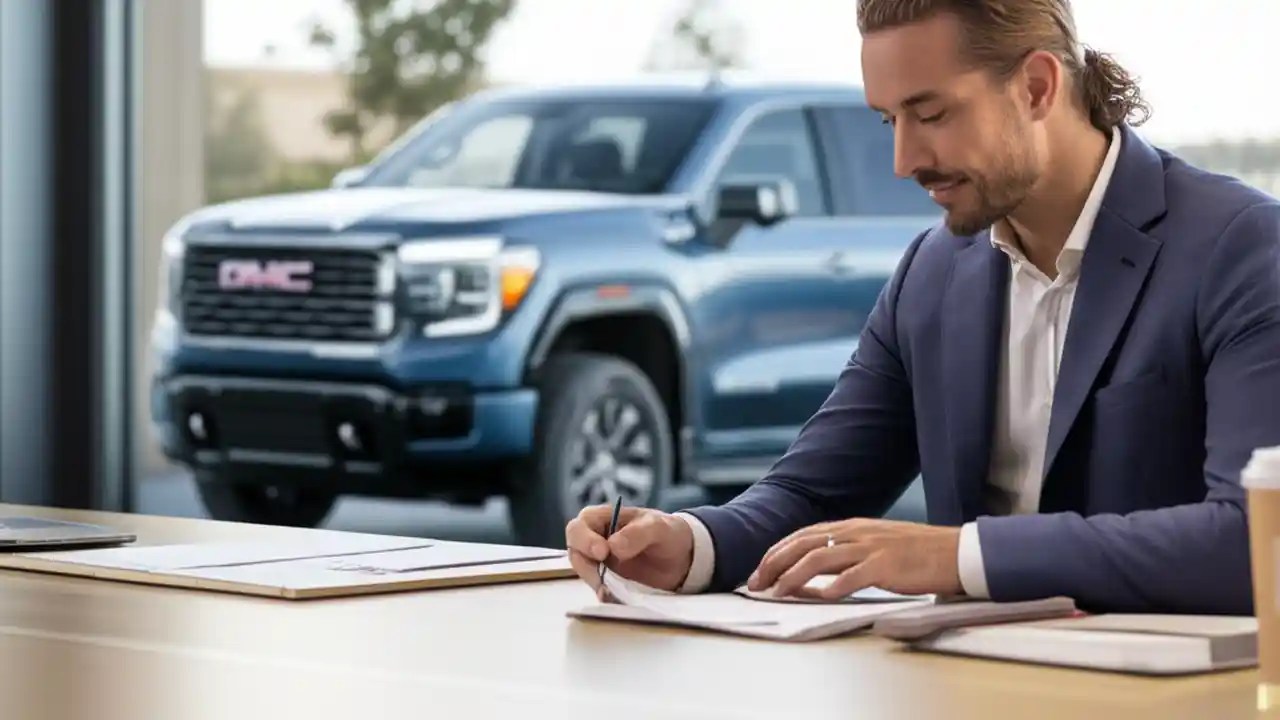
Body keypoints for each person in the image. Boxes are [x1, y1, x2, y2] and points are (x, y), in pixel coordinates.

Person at [565, 0, 1280, 614]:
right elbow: (812, 493)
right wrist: (689, 544)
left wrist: (960, 556)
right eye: (888, 122)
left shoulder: (1239, 247)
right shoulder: (933, 271)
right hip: (966, 691)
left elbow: (1254, 540)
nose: (905, 160)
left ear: (1036, 86)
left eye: (931, 113)